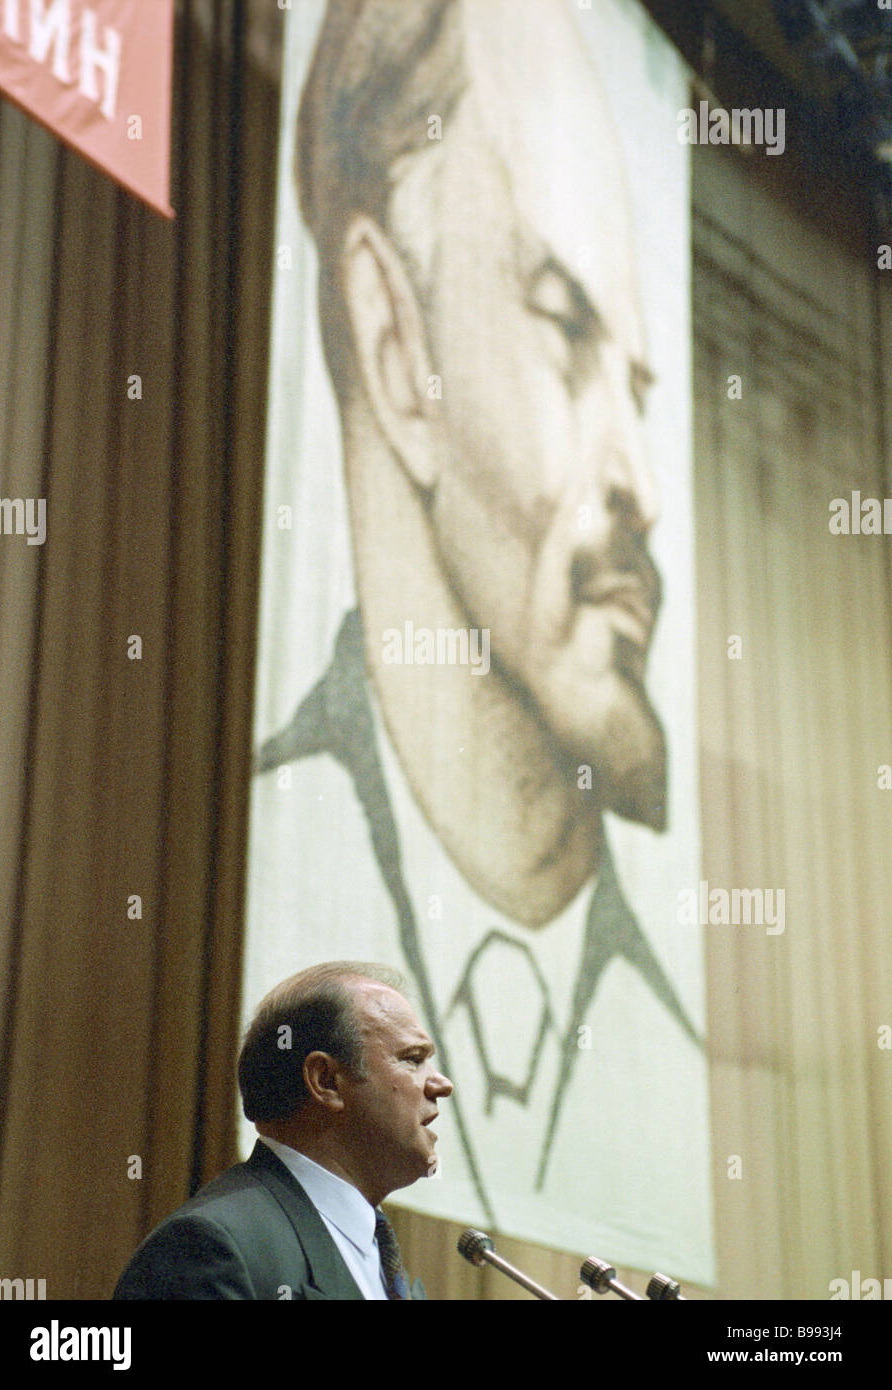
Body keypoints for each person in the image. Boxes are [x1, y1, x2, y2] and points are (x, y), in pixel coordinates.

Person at [247, 0, 712, 1274]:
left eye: (640, 386)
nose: (648, 492)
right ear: (398, 348)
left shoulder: (677, 1046)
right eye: (566, 327)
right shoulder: (230, 1250)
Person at [113, 962, 452, 1300]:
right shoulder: (207, 1250)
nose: (441, 1084)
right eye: (413, 1058)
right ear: (327, 1081)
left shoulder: (380, 1256)